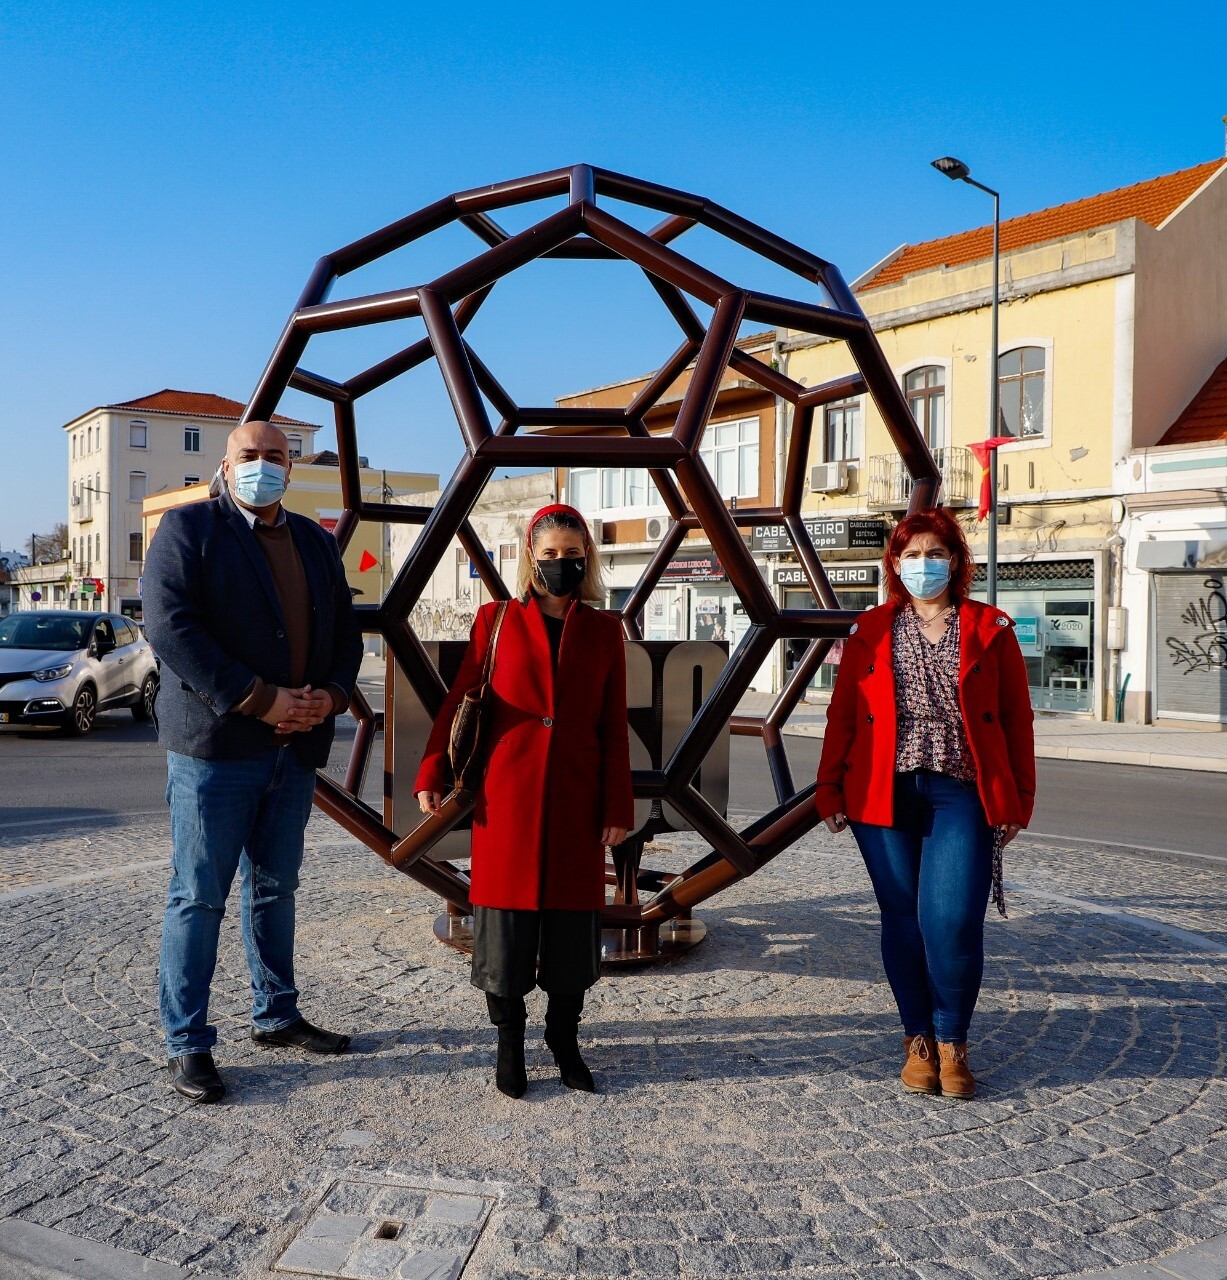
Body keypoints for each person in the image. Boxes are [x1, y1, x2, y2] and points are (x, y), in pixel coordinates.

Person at [143, 420, 364, 1104]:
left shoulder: (314, 541)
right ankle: (188, 1042)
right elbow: (170, 626)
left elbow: (345, 631)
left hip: (292, 750)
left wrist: (329, 696)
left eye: (275, 456)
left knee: (275, 888)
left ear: (290, 468)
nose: (261, 465)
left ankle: (276, 1014)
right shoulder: (189, 529)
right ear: (225, 462)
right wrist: (260, 699)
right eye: (249, 454)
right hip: (217, 750)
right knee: (199, 895)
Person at [414, 504, 633, 1099]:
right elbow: (461, 699)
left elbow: (613, 724)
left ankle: (564, 1039)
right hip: (506, 797)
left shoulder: (604, 629)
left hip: (577, 799)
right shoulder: (497, 620)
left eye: (572, 554)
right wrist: (433, 767)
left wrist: (617, 806)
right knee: (504, 934)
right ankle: (509, 1043)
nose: (562, 563)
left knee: (571, 931)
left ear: (587, 558)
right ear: (531, 559)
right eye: (550, 554)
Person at [815, 507, 1035, 1099]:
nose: (923, 564)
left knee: (952, 921)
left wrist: (1018, 798)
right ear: (894, 563)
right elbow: (842, 715)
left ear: (956, 560)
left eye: (935, 553)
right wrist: (828, 788)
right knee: (901, 919)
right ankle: (918, 1040)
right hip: (880, 791)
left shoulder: (990, 627)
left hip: (960, 791)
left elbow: (1016, 719)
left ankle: (953, 1041)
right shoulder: (870, 628)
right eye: (911, 555)